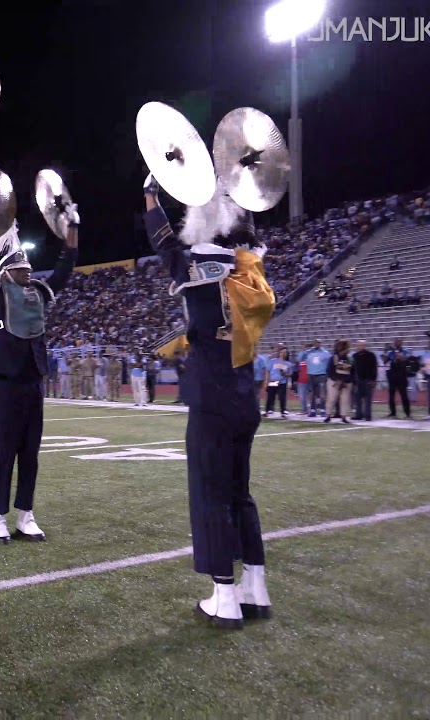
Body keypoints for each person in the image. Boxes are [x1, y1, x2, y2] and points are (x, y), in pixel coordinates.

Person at [141, 174, 276, 629]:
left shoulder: (195, 266)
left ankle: (225, 596)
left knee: (210, 494)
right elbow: (248, 234)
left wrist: (151, 196)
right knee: (241, 493)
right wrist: (241, 199)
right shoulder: (251, 272)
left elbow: (162, 241)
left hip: (211, 395)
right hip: (244, 395)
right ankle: (255, 587)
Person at [0, 192, 77, 542]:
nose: (28, 269)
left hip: (34, 383)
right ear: (8, 271)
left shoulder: (38, 294)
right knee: (6, 453)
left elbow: (65, 268)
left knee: (30, 454)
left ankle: (25, 514)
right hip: (5, 384)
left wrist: (72, 230)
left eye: (29, 266)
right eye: (21, 266)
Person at [323, 339, 353, 423]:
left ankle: (343, 416)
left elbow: (352, 371)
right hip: (334, 382)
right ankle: (328, 415)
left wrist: (345, 380)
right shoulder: (334, 358)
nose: (349, 349)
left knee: (345, 399)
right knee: (331, 398)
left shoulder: (350, 358)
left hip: (346, 382)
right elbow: (329, 371)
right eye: (347, 347)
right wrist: (337, 380)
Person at [350, 339, 378, 421]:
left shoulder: (371, 355)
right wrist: (353, 381)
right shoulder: (354, 356)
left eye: (361, 345)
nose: (360, 347)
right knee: (357, 399)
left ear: (365, 346)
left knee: (368, 399)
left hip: (368, 380)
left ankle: (368, 415)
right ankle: (358, 414)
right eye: (358, 345)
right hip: (358, 380)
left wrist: (373, 379)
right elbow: (352, 369)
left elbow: (374, 368)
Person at [386, 340, 412, 418]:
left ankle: (407, 413)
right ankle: (392, 412)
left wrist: (395, 351)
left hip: (402, 376)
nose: (397, 343)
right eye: (396, 342)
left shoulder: (405, 351)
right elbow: (385, 361)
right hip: (393, 376)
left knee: (404, 396)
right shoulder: (391, 352)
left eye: (399, 342)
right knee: (391, 396)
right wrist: (385, 352)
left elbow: (403, 359)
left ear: (401, 343)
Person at [265, 347, 292, 418]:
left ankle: (283, 411)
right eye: (282, 352)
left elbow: (290, 374)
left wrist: (285, 374)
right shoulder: (273, 361)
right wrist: (267, 381)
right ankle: (267, 411)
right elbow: (267, 371)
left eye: (285, 352)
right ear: (279, 353)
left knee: (282, 397)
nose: (283, 354)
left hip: (282, 382)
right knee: (270, 397)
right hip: (273, 381)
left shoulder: (288, 364)